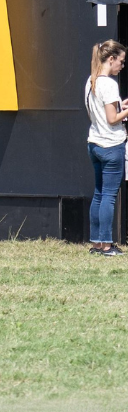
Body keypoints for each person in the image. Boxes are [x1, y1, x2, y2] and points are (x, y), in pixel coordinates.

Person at [85, 39, 128, 256]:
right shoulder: (110, 84)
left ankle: (97, 243)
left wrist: (123, 107)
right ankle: (107, 245)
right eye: (121, 61)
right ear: (111, 59)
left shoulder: (90, 81)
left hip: (94, 143)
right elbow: (112, 119)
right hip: (112, 144)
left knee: (99, 193)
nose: (122, 65)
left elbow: (99, 115)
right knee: (109, 195)